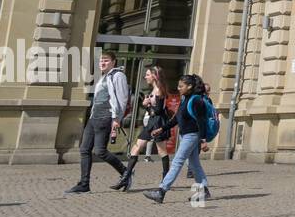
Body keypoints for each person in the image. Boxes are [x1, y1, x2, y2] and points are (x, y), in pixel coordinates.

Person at [66, 51, 130, 194]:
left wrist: (116, 120)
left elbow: (122, 99)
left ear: (113, 62)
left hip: (106, 118)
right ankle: (84, 184)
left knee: (100, 151)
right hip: (94, 117)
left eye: (106, 60)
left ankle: (125, 172)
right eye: (101, 60)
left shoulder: (118, 76)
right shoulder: (102, 77)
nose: (102, 63)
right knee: (84, 149)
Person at [143, 74, 211, 204]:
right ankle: (204, 191)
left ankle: (161, 191)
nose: (178, 88)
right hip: (185, 135)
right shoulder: (185, 98)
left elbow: (201, 122)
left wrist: (202, 140)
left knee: (177, 161)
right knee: (194, 164)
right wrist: (162, 129)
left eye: (181, 86)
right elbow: (176, 119)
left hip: (192, 135)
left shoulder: (197, 100)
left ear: (189, 86)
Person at [113, 63, 173, 192]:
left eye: (147, 75)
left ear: (154, 76)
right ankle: (126, 177)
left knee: (162, 151)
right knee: (136, 147)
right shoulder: (154, 89)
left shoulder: (159, 90)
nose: (145, 77)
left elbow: (157, 110)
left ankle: (166, 179)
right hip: (152, 122)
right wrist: (148, 104)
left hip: (158, 123)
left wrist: (147, 104)